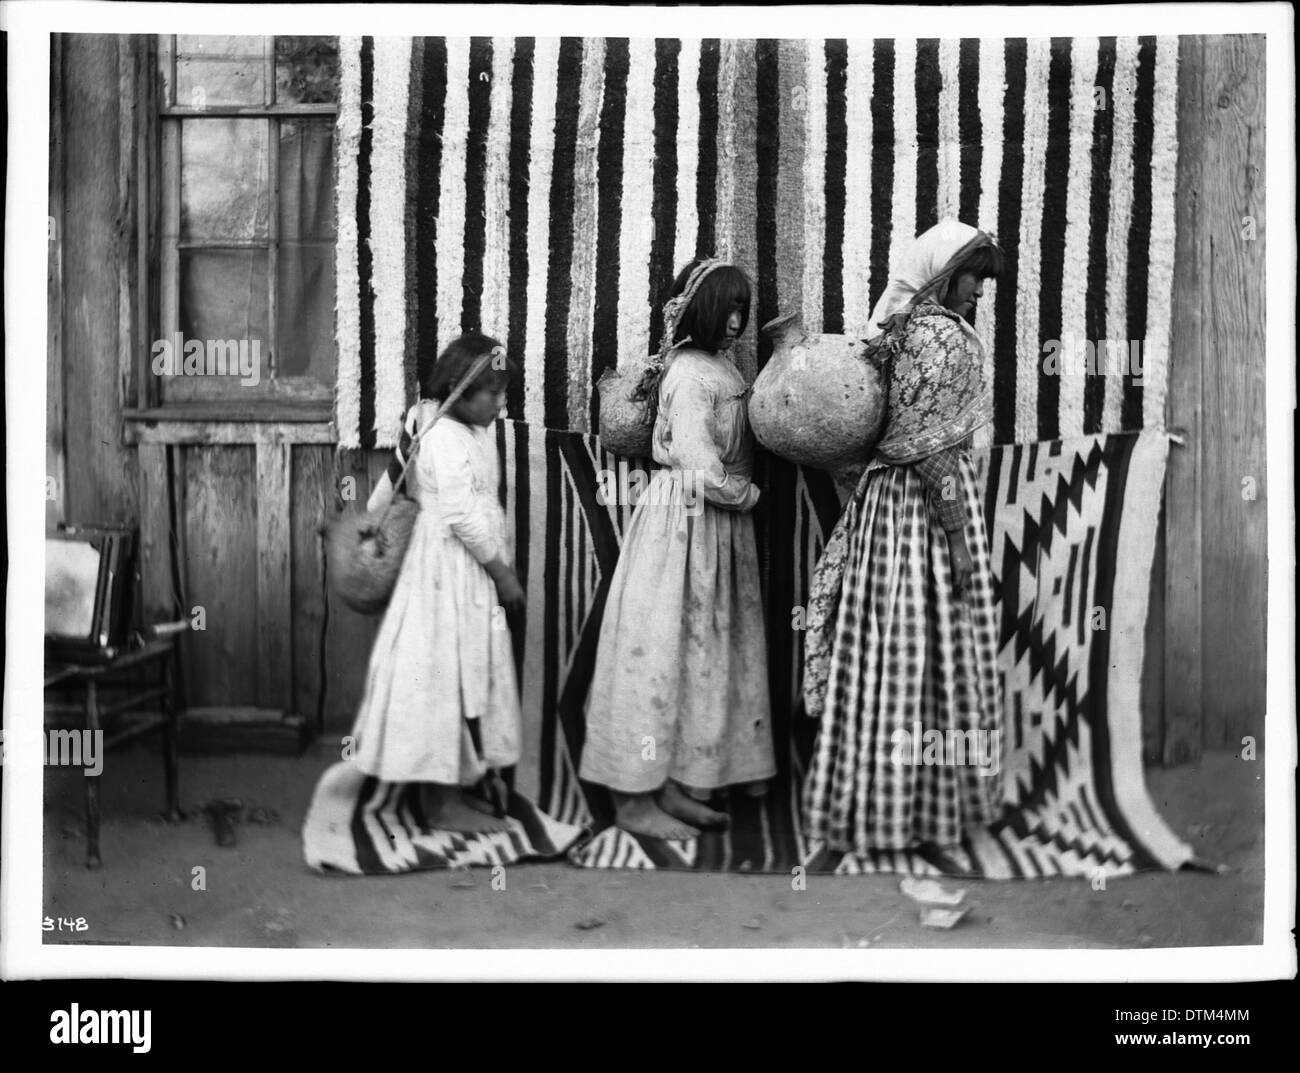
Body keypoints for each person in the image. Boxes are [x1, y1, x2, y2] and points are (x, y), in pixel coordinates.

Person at [801, 219, 1006, 855]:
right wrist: (962, 545)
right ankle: (927, 820)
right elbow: (936, 455)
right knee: (931, 654)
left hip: (882, 511)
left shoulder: (891, 328)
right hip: (926, 511)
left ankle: (868, 808)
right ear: (945, 274)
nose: (978, 289)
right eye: (973, 276)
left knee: (882, 657)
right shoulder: (942, 340)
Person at [581, 259, 776, 840]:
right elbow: (697, 467)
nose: (738, 321)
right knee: (659, 654)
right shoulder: (691, 375)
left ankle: (670, 784)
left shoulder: (719, 366)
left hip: (712, 533)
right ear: (701, 311)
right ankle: (632, 801)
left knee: (698, 656)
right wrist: (748, 495)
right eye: (728, 309)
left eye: (743, 308)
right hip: (685, 523)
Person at [349, 332, 526, 834]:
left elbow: (395, 474)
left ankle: (466, 781)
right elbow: (459, 515)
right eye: (489, 392)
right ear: (458, 389)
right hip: (445, 570)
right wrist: (504, 576)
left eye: (502, 391)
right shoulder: (442, 433)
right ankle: (439, 801)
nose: (499, 402)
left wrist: (374, 510)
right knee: (441, 677)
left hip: (466, 571)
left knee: (467, 674)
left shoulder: (457, 427)